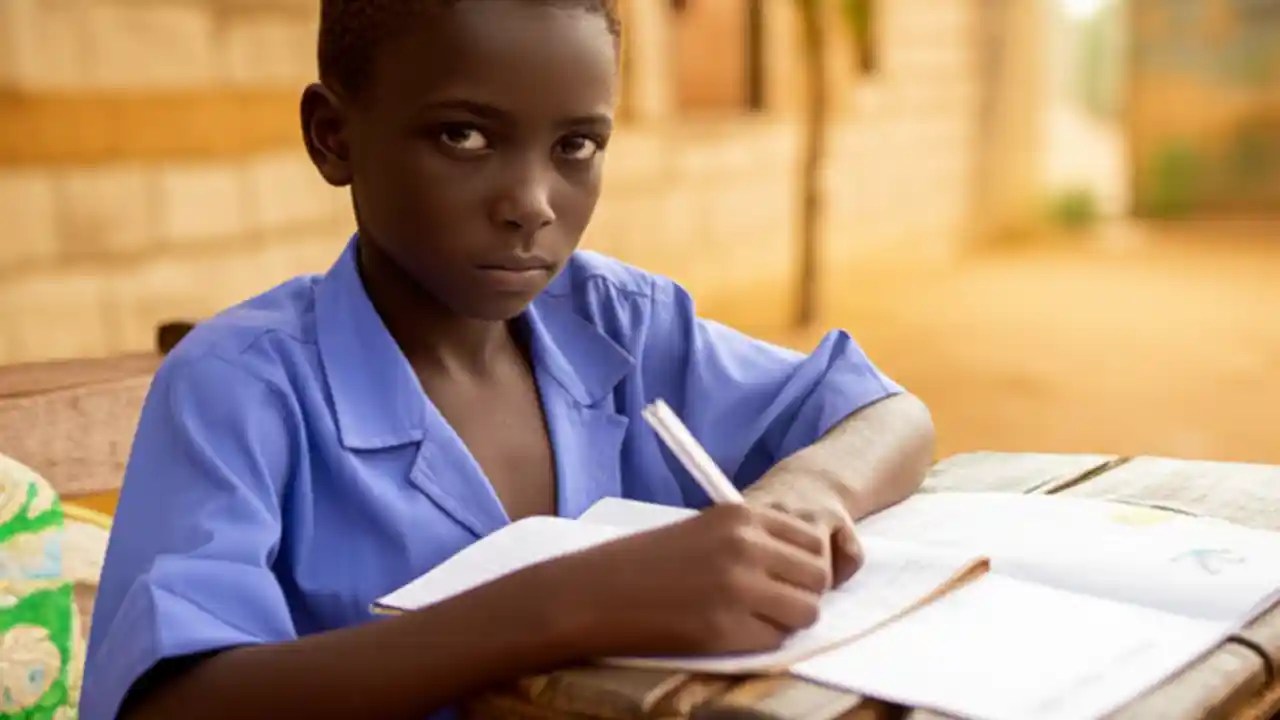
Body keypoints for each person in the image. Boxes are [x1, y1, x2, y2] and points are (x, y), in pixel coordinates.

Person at [80, 1, 935, 718]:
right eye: (463, 136)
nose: (531, 205)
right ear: (333, 136)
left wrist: (803, 496)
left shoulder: (619, 326)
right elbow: (172, 703)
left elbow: (887, 414)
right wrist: (573, 602)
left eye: (576, 147)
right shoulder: (242, 385)